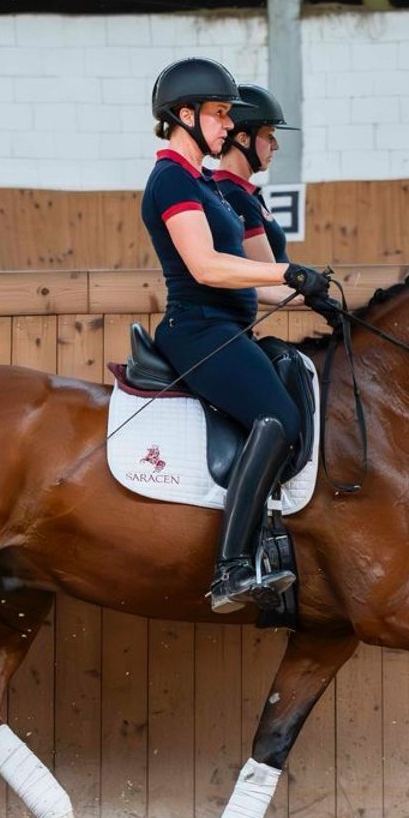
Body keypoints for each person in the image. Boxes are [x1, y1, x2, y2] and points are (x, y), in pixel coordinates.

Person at [141, 57, 334, 612]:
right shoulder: (171, 179)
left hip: (225, 325)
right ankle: (231, 568)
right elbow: (205, 267)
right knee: (279, 418)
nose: (228, 126)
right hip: (197, 329)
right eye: (220, 114)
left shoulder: (204, 182)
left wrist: (312, 294)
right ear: (185, 115)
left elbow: (252, 284)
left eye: (229, 116)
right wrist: (283, 271)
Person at [212, 83, 295, 266]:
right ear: (243, 139)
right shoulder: (235, 196)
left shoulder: (236, 191)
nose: (275, 146)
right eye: (269, 136)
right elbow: (268, 273)